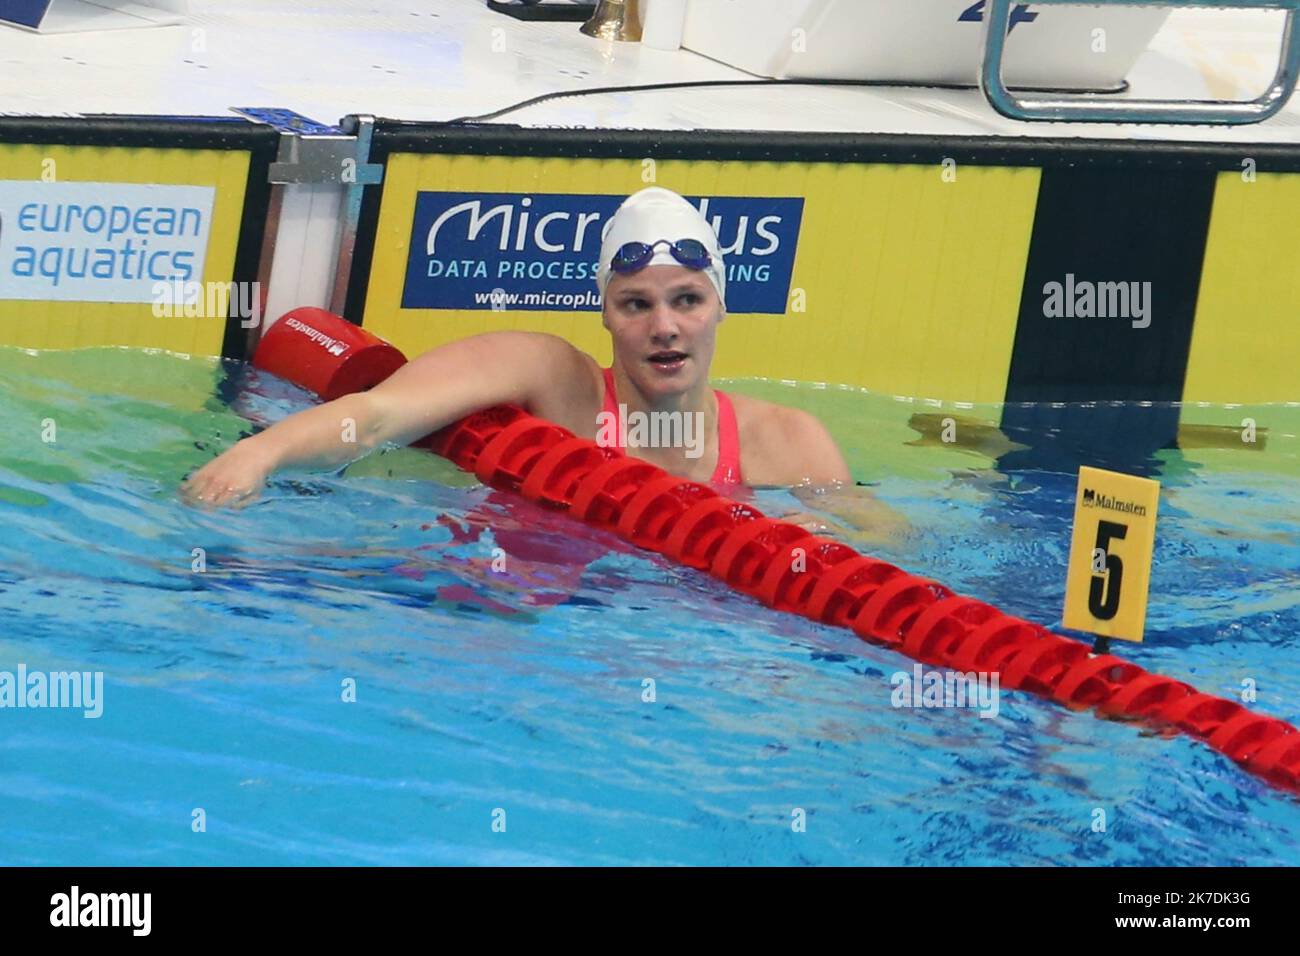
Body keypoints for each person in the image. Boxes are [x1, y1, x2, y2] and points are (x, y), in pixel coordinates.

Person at [180, 186, 852, 509]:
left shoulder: (790, 443)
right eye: (636, 305)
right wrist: (258, 452)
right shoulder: (554, 379)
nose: (665, 327)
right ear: (606, 317)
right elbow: (380, 414)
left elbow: (878, 549)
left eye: (687, 301)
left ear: (720, 308)